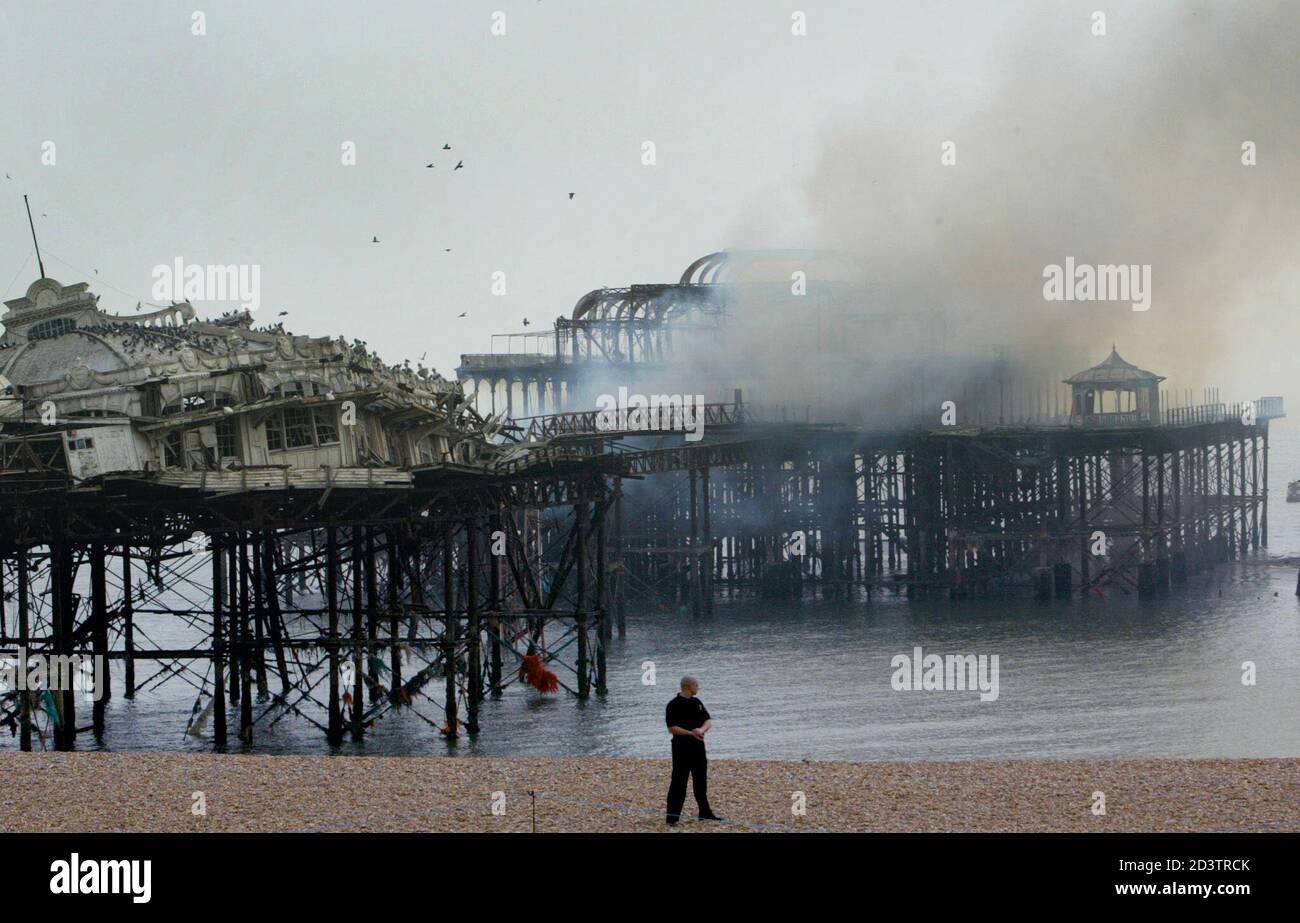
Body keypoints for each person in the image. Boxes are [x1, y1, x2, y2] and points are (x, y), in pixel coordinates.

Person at [665, 675, 721, 825]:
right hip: (681, 749)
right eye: (696, 685)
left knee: (700, 780)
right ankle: (672, 817)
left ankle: (705, 812)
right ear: (688, 686)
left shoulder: (697, 703)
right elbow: (672, 728)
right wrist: (690, 733)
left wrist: (701, 730)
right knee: (679, 782)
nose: (698, 687)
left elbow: (707, 720)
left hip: (698, 747)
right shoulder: (673, 704)